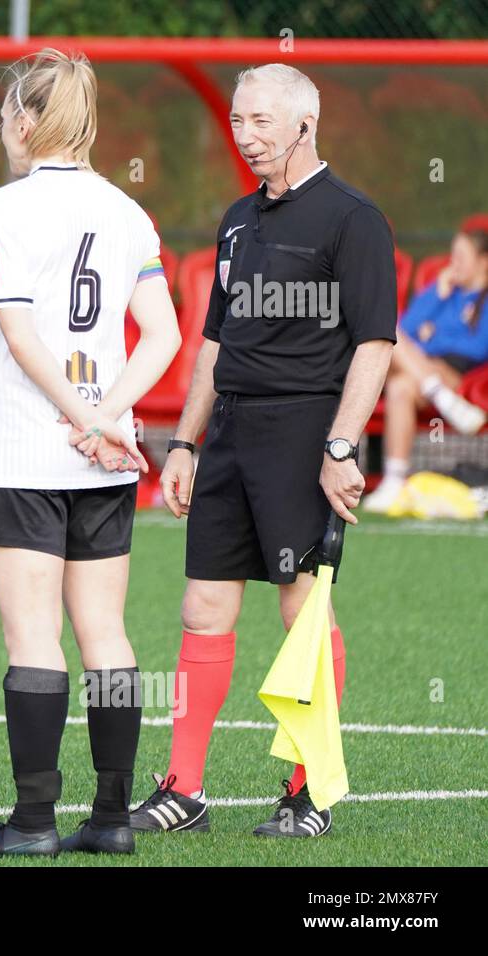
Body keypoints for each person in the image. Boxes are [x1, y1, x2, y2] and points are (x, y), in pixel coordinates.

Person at [136, 64, 396, 839]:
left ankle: (307, 791)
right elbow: (215, 342)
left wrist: (341, 445)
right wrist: (183, 441)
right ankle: (184, 790)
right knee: (203, 607)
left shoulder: (354, 218)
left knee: (301, 611)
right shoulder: (237, 220)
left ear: (303, 126)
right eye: (238, 121)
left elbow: (375, 346)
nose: (243, 135)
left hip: (304, 434)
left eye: (259, 122)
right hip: (229, 438)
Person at [0, 50, 180, 858]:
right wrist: (109, 417)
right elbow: (167, 335)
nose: (4, 126)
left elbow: (18, 333)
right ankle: (112, 819)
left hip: (25, 451)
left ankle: (33, 823)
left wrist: (81, 414)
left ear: (27, 121)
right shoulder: (127, 211)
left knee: (34, 639)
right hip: (104, 458)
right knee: (106, 631)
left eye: (9, 113)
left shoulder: (5, 207)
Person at [363, 217, 488, 512]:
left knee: (390, 344)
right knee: (399, 384)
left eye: (461, 258)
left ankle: (439, 393)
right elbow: (404, 328)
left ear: (483, 261)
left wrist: (435, 338)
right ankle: (395, 481)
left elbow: (479, 347)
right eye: (452, 256)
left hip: (460, 374)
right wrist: (437, 294)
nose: (453, 264)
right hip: (423, 373)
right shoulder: (442, 291)